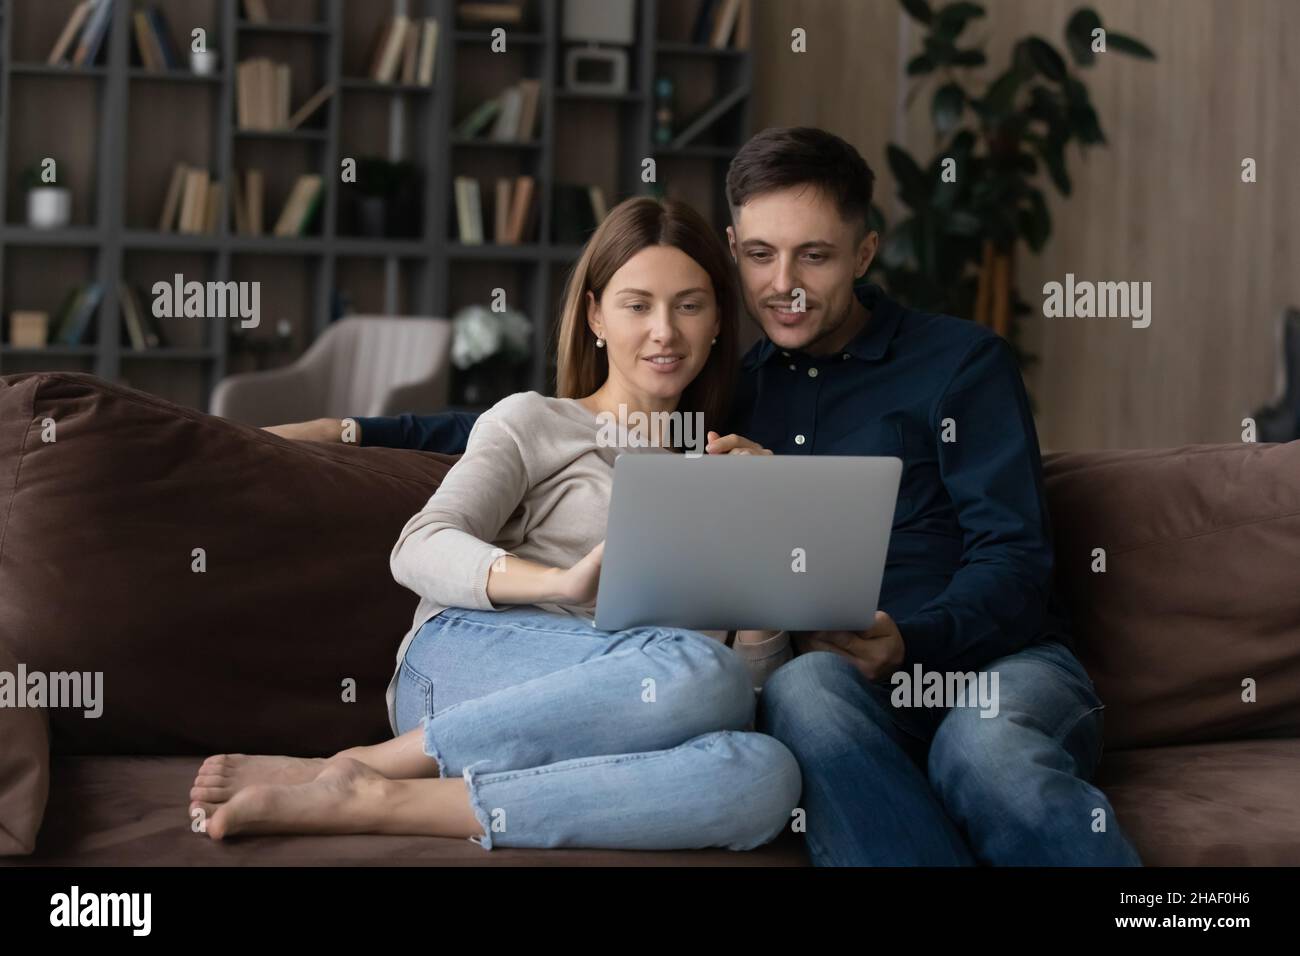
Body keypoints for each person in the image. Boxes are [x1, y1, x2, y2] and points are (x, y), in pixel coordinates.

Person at [266, 127, 1143, 867]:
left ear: (866, 253)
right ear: (733, 255)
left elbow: (1019, 563)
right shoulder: (729, 391)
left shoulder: (958, 364)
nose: (785, 283)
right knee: (800, 697)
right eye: (760, 255)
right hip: (833, 676)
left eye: (816, 256)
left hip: (990, 658)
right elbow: (547, 422)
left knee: (976, 750)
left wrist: (913, 637)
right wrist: (351, 431)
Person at [188, 197, 802, 851]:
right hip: (462, 668)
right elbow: (418, 547)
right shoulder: (536, 421)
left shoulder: (718, 468)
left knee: (765, 775)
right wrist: (560, 584)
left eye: (689, 304)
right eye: (637, 304)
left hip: (614, 715)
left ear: (716, 324)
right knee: (701, 672)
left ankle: (378, 797)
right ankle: (372, 762)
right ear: (595, 314)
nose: (664, 331)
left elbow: (746, 695)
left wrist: (759, 563)